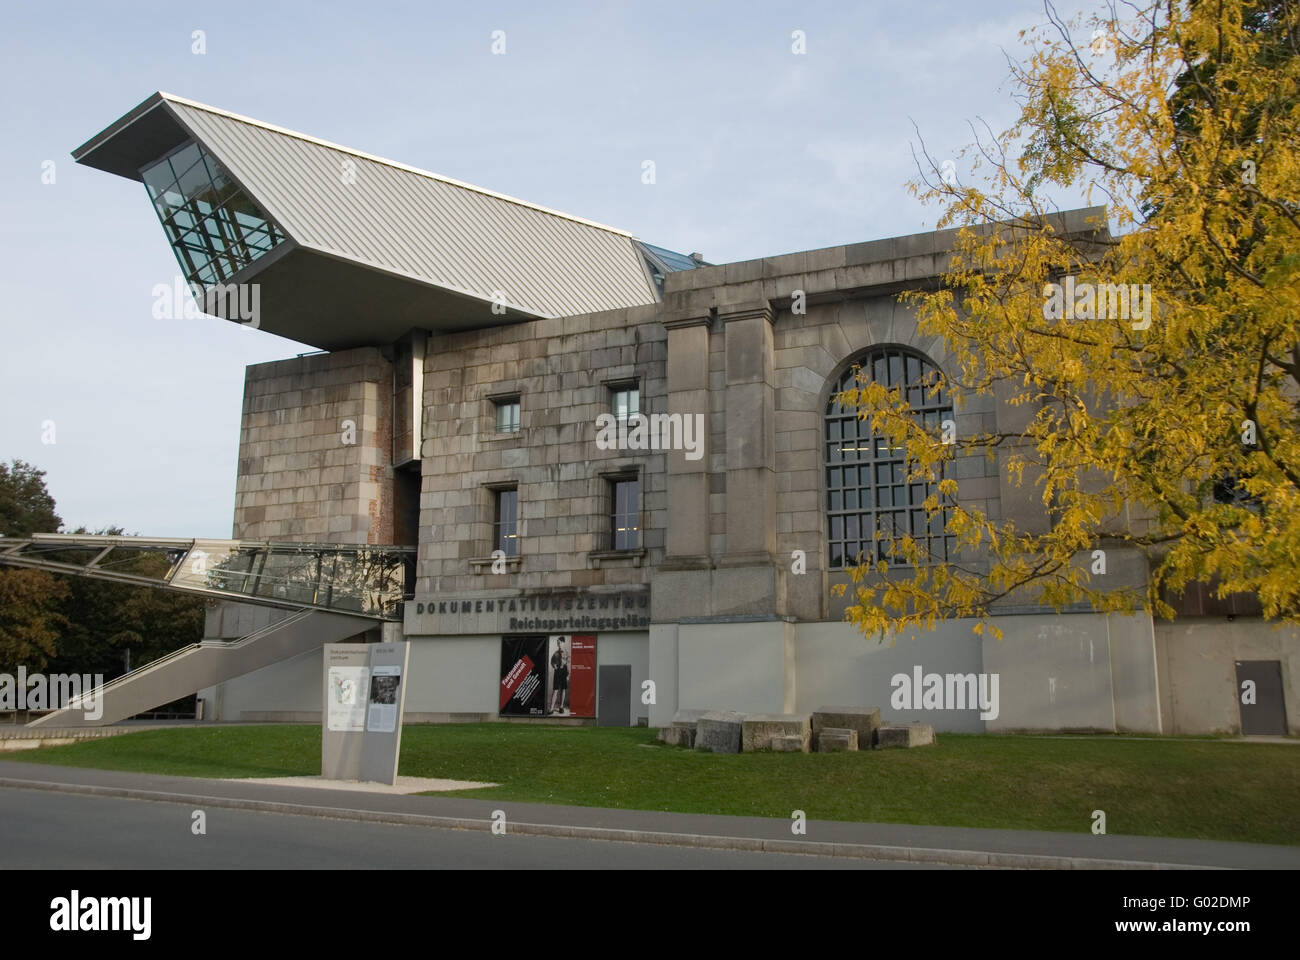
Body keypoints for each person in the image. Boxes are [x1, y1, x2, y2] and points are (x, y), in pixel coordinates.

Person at [550, 639, 569, 714]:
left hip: (564, 671)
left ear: (563, 643)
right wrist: (553, 665)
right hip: (557, 671)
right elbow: (552, 661)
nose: (559, 644)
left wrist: (568, 674)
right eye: (558, 643)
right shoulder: (555, 653)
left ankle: (561, 707)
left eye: (560, 643)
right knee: (555, 690)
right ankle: (551, 708)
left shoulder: (567, 653)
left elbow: (569, 663)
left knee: (563, 689)